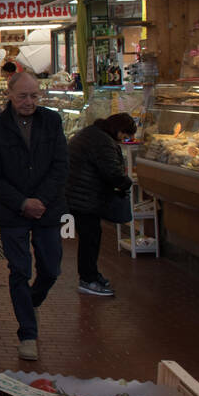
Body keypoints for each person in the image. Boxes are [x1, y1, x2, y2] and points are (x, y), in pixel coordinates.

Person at [0, 72, 69, 361]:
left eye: (34, 95)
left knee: (52, 269)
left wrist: (40, 200)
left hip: (47, 209)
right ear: (9, 94)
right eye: (23, 96)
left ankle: (30, 303)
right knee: (19, 271)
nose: (29, 101)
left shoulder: (52, 121)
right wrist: (22, 202)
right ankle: (27, 333)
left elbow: (60, 166)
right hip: (12, 212)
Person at [66, 113, 136, 297]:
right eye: (125, 136)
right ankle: (88, 279)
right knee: (90, 238)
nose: (124, 140)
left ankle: (91, 275)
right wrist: (127, 183)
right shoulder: (102, 141)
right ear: (119, 130)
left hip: (77, 193)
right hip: (84, 196)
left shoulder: (92, 133)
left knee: (91, 236)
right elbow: (112, 171)